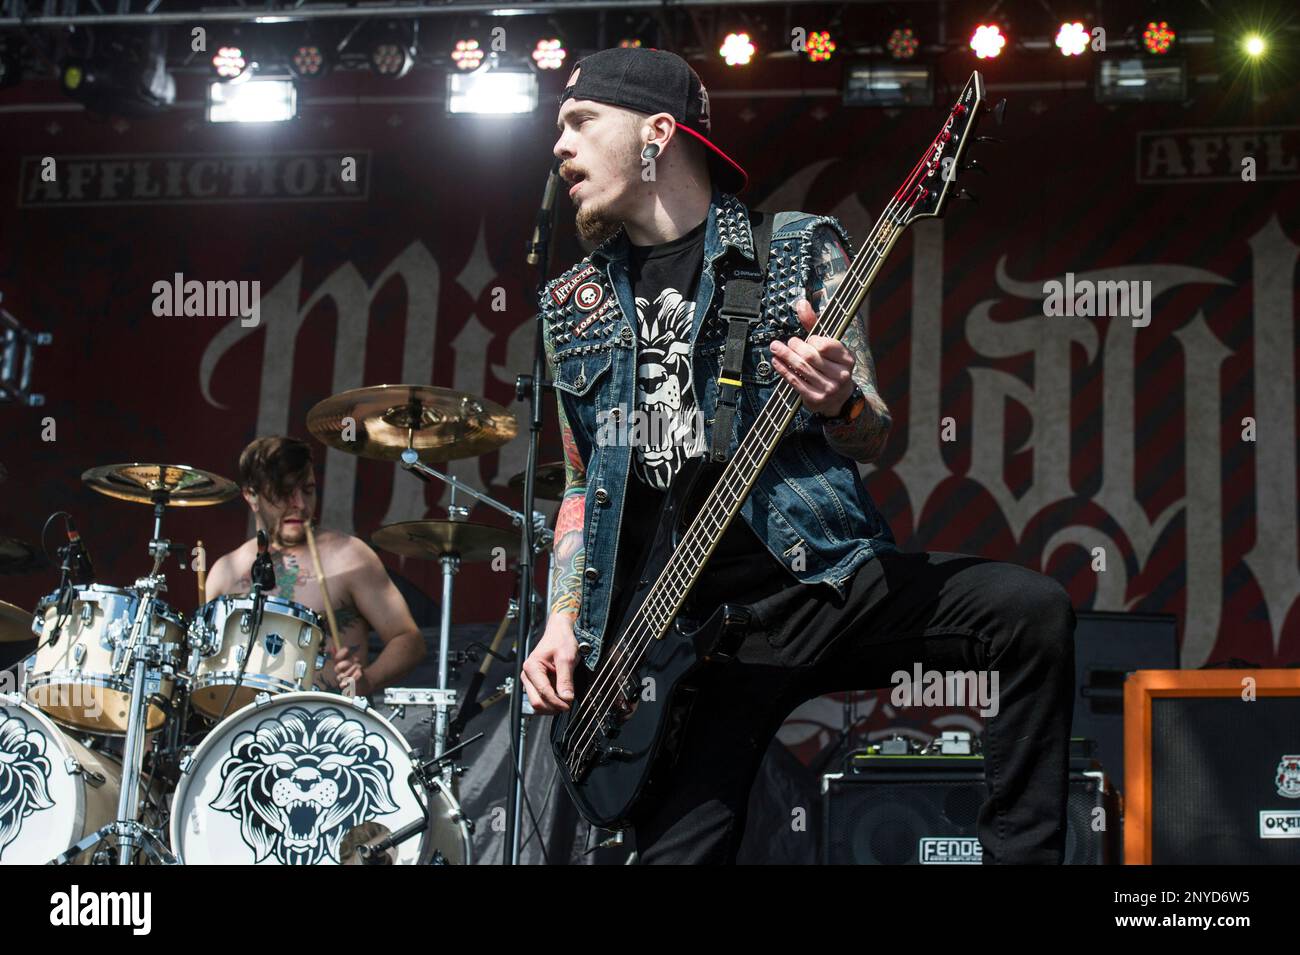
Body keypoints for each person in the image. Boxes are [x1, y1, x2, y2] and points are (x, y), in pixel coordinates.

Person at [521, 47, 1076, 864]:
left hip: (815, 581)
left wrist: (837, 399)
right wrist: (562, 614)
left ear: (656, 134)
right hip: (685, 643)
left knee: (1029, 613)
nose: (559, 146)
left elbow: (871, 430)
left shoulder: (793, 251)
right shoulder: (573, 305)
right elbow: (578, 478)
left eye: (579, 122)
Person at [205, 435, 425, 697]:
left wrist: (368, 680)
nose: (300, 504)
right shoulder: (223, 573)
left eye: (308, 490)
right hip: (244, 729)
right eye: (284, 493)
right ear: (251, 496)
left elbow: (409, 639)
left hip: (330, 726)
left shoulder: (351, 556)